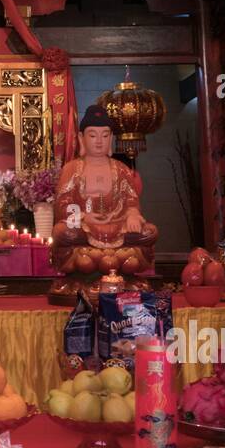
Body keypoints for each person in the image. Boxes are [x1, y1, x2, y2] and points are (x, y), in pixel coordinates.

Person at [49, 104, 157, 301]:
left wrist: (133, 214)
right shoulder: (72, 169)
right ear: (81, 138)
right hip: (84, 227)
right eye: (92, 135)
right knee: (62, 233)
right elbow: (63, 203)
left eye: (105, 135)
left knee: (149, 232)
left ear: (111, 139)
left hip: (117, 225)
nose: (99, 141)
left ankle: (104, 264)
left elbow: (131, 199)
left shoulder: (121, 169)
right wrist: (83, 216)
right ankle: (110, 264)